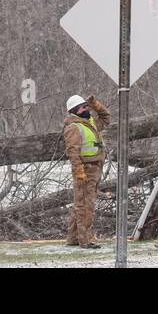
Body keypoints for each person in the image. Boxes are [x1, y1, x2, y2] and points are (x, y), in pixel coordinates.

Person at [62, 93, 110, 248]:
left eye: (86, 106)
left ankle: (73, 238)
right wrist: (79, 171)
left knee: (80, 205)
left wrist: (95, 104)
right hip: (85, 170)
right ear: (75, 110)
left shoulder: (90, 123)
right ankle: (85, 241)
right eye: (83, 106)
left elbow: (106, 117)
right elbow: (73, 152)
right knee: (85, 206)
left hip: (94, 168)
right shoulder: (74, 127)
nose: (86, 108)